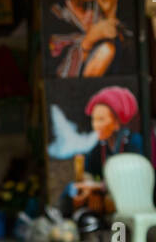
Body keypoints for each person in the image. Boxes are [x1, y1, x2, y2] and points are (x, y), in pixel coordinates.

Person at [58, 85, 144, 214]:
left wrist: (98, 187)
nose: (95, 125)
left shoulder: (134, 142)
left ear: (116, 122)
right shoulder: (99, 144)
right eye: (94, 119)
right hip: (104, 189)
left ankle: (118, 233)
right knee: (72, 190)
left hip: (127, 195)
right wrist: (88, 186)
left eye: (101, 119)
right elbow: (88, 171)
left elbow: (133, 180)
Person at [46, 0, 132, 77]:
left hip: (111, 82)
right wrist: (90, 39)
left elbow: (124, 43)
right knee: (106, 50)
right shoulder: (57, 16)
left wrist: (110, 11)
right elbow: (58, 69)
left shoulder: (98, 6)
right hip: (76, 88)